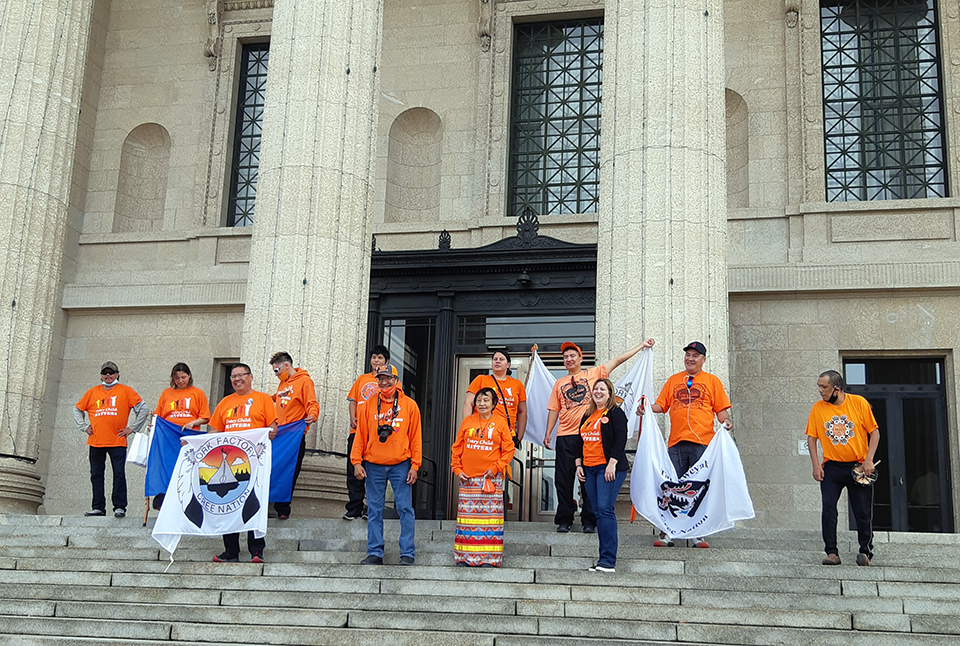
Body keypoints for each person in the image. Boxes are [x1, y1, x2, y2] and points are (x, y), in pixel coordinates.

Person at [544, 338, 654, 533]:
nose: (569, 359)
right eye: (565, 357)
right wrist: (548, 433)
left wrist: (641, 346)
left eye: (572, 356)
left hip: (589, 435)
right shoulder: (559, 383)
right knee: (563, 480)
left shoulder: (594, 374)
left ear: (580, 358)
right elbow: (554, 409)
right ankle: (564, 519)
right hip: (565, 436)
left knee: (588, 480)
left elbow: (619, 360)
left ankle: (589, 520)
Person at [645, 341, 731, 548]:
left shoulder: (712, 381)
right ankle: (667, 531)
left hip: (703, 444)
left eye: (695, 355)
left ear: (703, 359)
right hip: (676, 443)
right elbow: (661, 406)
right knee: (672, 486)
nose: (690, 358)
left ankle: (697, 533)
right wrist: (645, 407)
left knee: (699, 487)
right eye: (688, 355)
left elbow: (721, 409)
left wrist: (726, 421)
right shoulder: (674, 380)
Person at [805, 370, 880, 566]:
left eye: (824, 387)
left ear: (836, 389)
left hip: (858, 467)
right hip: (832, 467)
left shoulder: (859, 403)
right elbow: (811, 439)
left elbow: (875, 433)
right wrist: (815, 465)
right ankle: (832, 552)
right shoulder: (818, 408)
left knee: (862, 511)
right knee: (828, 508)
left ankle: (865, 552)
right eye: (819, 387)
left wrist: (869, 460)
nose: (820, 391)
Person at [351, 364, 421, 565]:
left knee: (405, 509)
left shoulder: (409, 405)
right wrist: (356, 462)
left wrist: (415, 465)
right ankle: (375, 552)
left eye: (388, 378)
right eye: (380, 379)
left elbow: (416, 437)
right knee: (374, 509)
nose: (384, 382)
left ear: (396, 381)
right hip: (374, 465)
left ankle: (407, 552)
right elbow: (360, 436)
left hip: (401, 464)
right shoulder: (368, 405)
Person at [208, 363, 278, 563]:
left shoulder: (263, 399)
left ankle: (257, 551)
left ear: (250, 377)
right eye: (233, 376)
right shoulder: (225, 402)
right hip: (228, 463)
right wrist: (194, 442)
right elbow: (215, 431)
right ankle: (231, 551)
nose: (237, 379)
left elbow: (272, 428)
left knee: (254, 503)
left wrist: (271, 431)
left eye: (241, 375)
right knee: (228, 504)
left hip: (255, 463)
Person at [74, 361, 150, 518]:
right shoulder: (92, 392)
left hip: (117, 441)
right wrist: (83, 427)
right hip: (95, 440)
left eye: (111, 373)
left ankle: (119, 506)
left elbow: (143, 408)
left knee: (119, 474)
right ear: (101, 375)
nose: (108, 376)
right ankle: (98, 507)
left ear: (117, 374)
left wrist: (133, 428)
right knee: (96, 474)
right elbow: (77, 408)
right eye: (105, 373)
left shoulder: (125, 391)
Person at [451, 387, 515, 567]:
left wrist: (495, 468)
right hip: (468, 479)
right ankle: (464, 558)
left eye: (486, 400)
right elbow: (456, 448)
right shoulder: (467, 421)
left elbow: (509, 450)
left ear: (494, 403)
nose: (482, 403)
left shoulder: (500, 422)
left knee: (490, 523)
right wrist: (457, 469)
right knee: (467, 523)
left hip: (491, 479)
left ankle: (490, 559)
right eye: (478, 400)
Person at [574, 378, 629, 573]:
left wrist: (612, 463)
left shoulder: (616, 413)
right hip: (589, 469)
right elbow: (579, 441)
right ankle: (602, 559)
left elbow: (621, 438)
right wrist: (578, 463)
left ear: (609, 392)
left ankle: (608, 561)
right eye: (595, 389)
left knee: (605, 510)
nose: (598, 391)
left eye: (602, 389)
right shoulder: (588, 414)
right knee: (597, 512)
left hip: (608, 468)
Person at [152, 362, 211, 510]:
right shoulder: (166, 393)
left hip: (189, 436)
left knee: (187, 466)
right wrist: (153, 425)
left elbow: (205, 416)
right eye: (177, 378)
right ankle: (164, 499)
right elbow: (158, 416)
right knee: (168, 466)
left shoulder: (197, 393)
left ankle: (187, 500)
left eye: (183, 377)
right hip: (168, 437)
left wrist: (193, 423)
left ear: (189, 376)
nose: (180, 381)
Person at [344, 344, 391, 520]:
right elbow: (353, 400)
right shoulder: (362, 379)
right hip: (357, 430)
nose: (376, 360)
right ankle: (354, 507)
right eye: (374, 357)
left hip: (376, 432)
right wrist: (352, 417)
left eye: (380, 357)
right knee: (353, 468)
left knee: (373, 470)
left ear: (386, 361)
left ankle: (371, 507)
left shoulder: (390, 380)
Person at [270, 351, 319, 520]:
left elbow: (312, 402)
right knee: (275, 467)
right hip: (279, 434)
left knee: (290, 470)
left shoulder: (304, 381)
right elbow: (279, 399)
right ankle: (272, 501)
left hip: (294, 435)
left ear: (286, 365)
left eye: (277, 370)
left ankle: (283, 508)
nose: (276, 374)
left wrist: (312, 415)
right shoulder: (282, 384)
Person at [462, 350, 527, 446]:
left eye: (501, 359)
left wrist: (519, 437)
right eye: (495, 359)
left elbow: (522, 411)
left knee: (503, 461)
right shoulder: (481, 380)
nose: (497, 361)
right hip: (483, 431)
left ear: (508, 364)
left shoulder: (517, 384)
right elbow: (468, 403)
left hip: (506, 434)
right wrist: (466, 428)